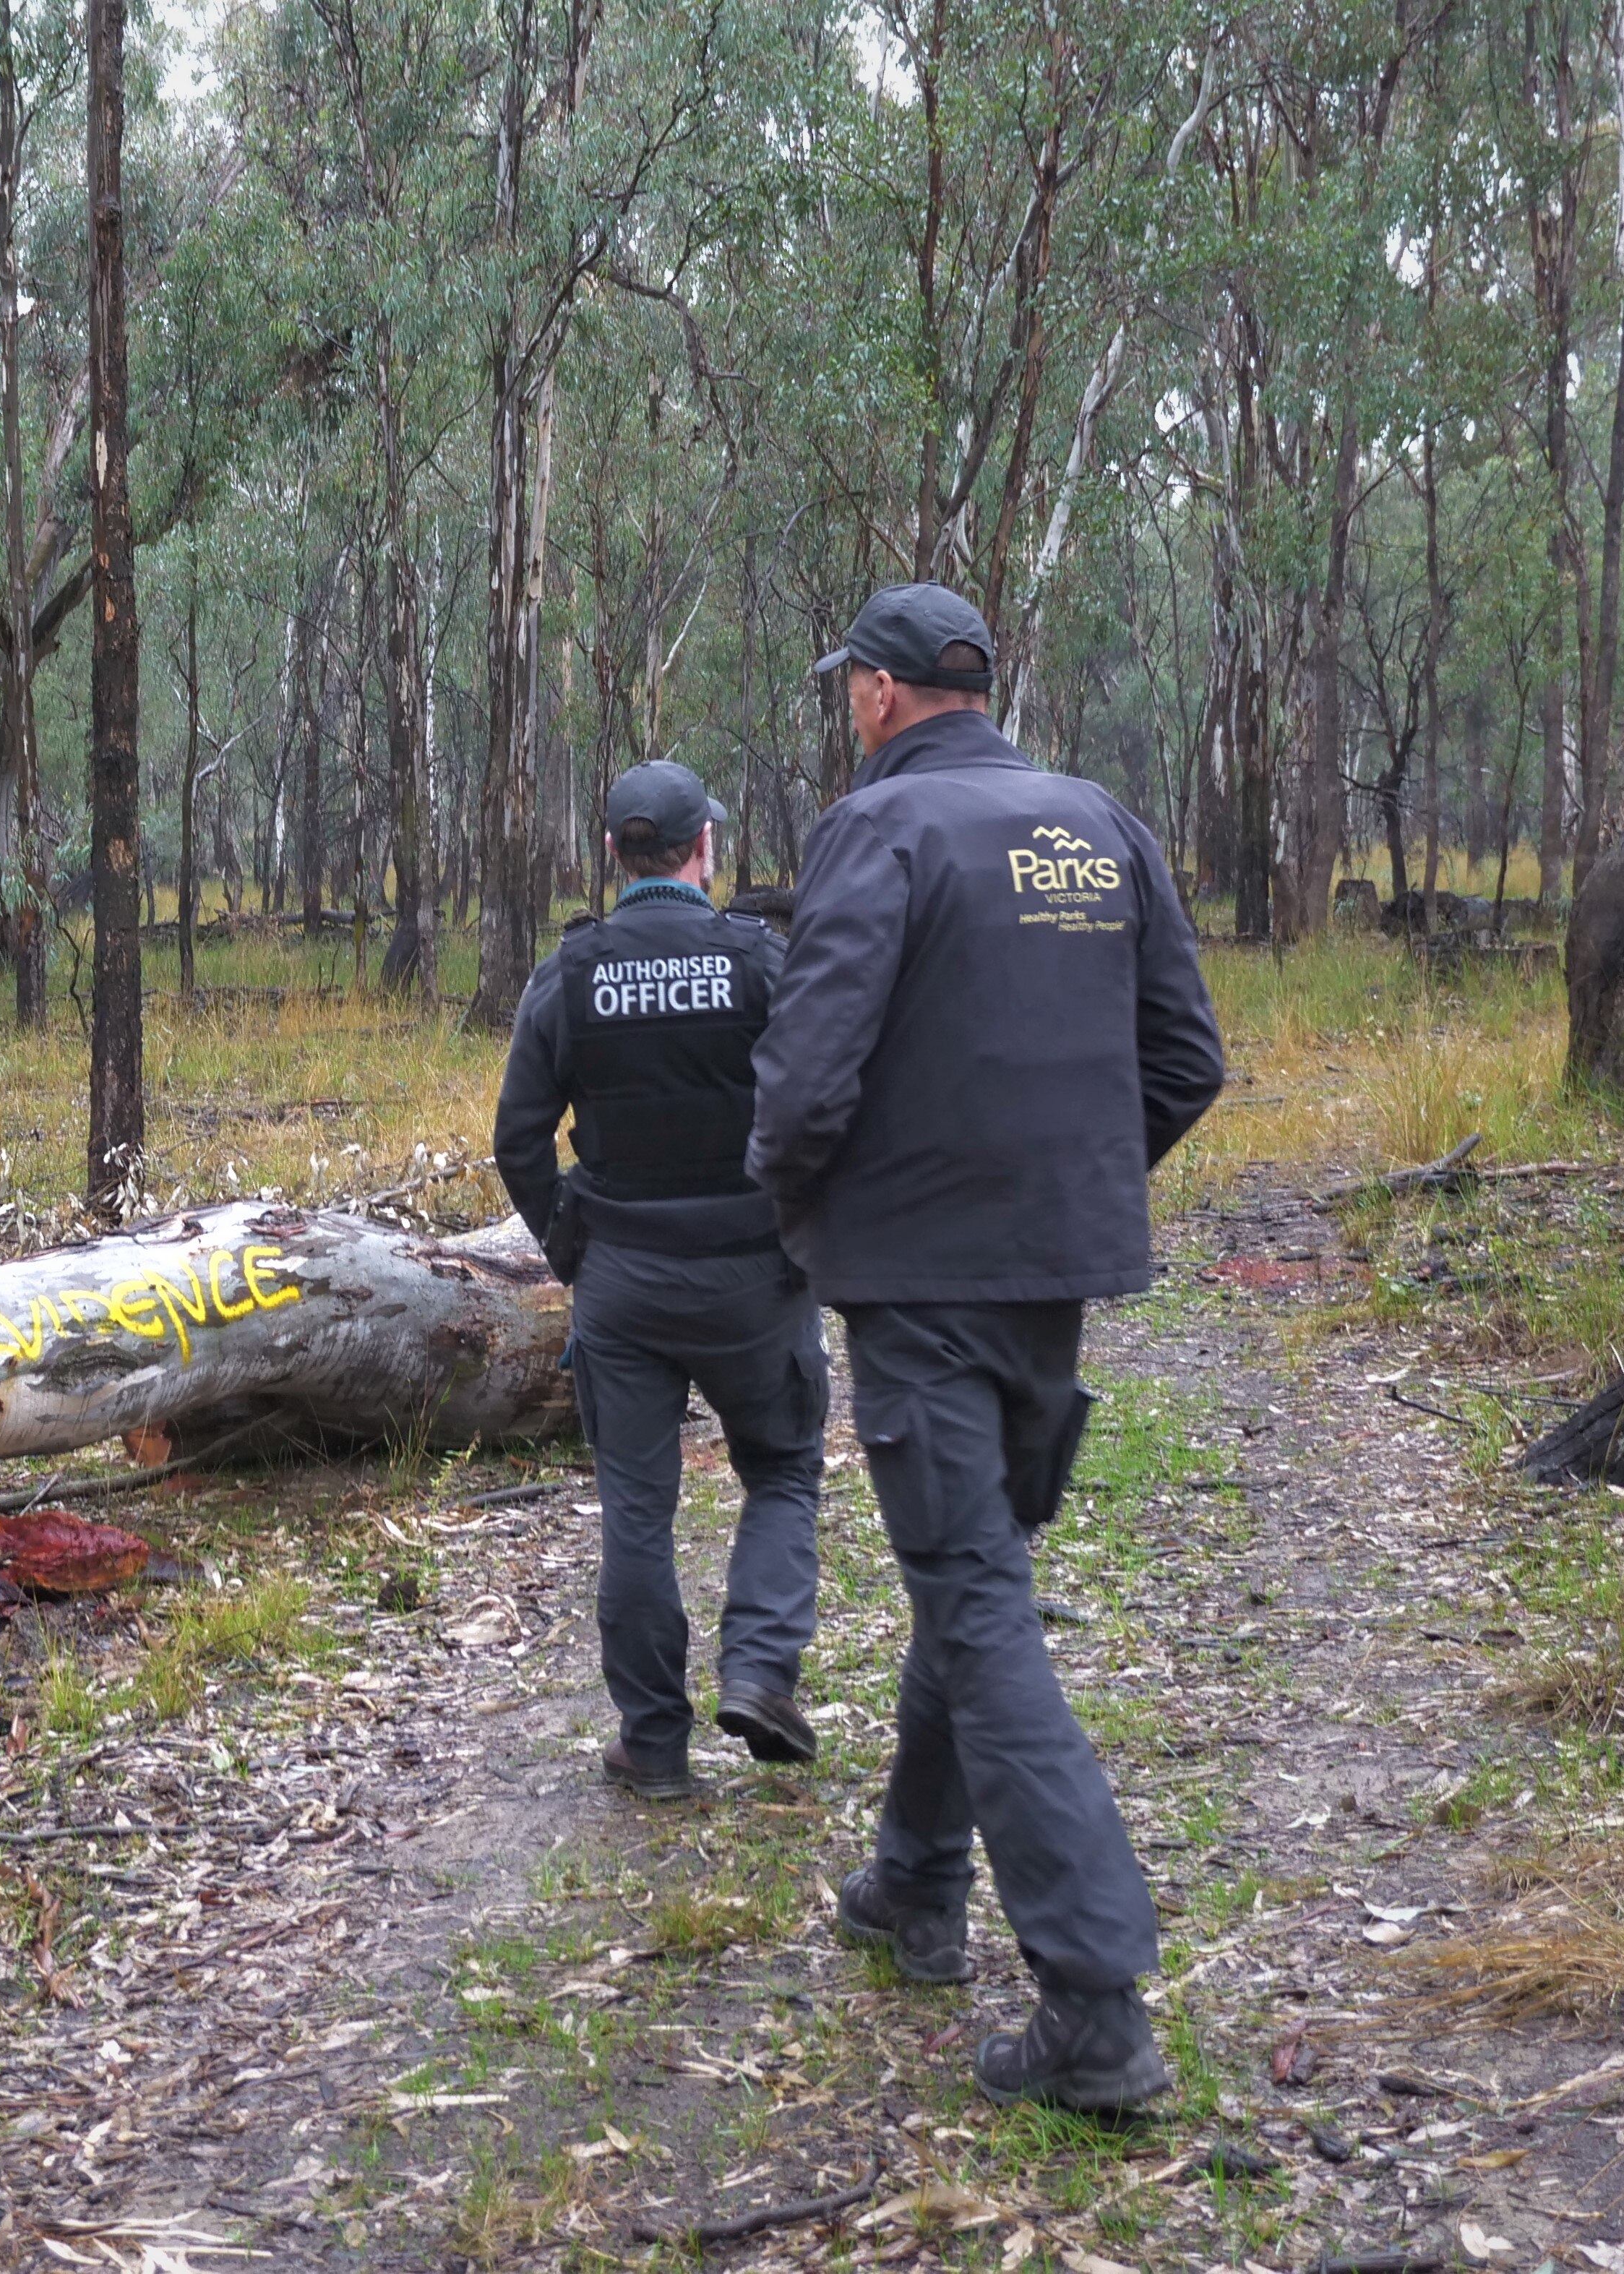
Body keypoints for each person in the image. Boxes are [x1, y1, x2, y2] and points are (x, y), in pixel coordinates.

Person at [749, 583, 1224, 2112]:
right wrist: (1064, 1185)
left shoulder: (875, 829)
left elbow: (805, 1083)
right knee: (975, 1579)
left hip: (922, 1287)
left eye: (850, 685)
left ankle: (1094, 2004)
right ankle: (915, 1877)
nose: (848, 703)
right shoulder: (1097, 822)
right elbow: (1185, 1059)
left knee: (976, 1602)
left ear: (882, 693)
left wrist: (800, 1209)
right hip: (1046, 1282)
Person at [494, 760, 830, 1803]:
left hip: (626, 1282)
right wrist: (804, 1229)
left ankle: (653, 1743)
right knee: (783, 1469)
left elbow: (518, 1138)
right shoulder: (761, 961)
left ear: (613, 851)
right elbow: (825, 1106)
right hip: (754, 1276)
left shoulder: (571, 973)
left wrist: (571, 1245)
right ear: (704, 849)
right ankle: (760, 1670)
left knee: (637, 1511)